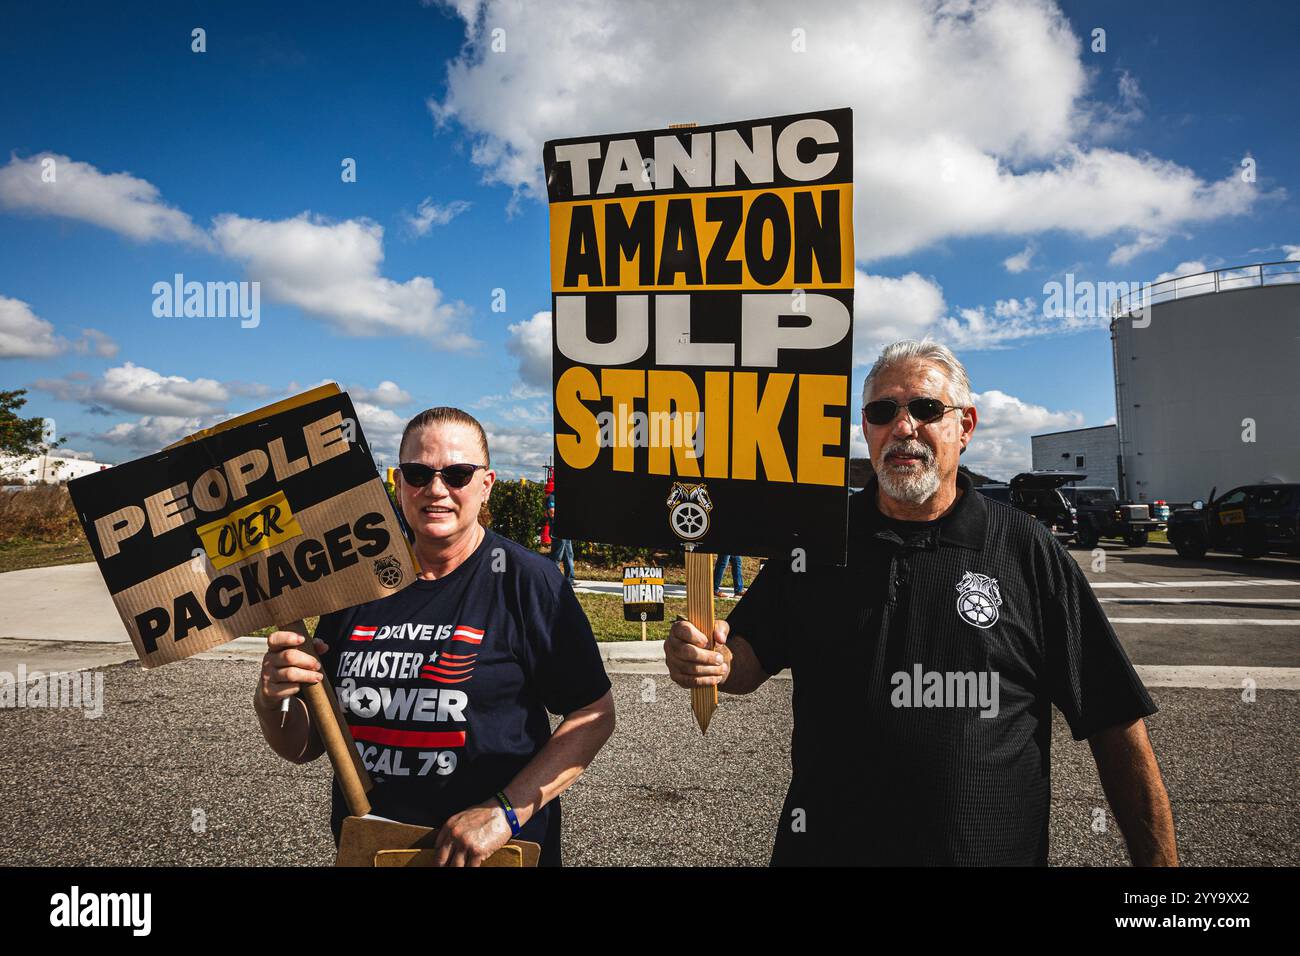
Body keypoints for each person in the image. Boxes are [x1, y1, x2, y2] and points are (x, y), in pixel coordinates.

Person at [665, 340, 1178, 866]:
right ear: (866, 429)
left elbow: (1115, 723)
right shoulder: (818, 543)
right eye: (883, 411)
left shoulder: (1027, 550)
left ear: (966, 426)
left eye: (927, 409)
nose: (904, 427)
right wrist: (713, 660)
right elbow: (749, 658)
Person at [255, 407, 614, 866]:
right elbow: (304, 746)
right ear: (399, 482)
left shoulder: (526, 581)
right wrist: (270, 702)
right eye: (418, 473)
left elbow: (595, 713)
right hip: (376, 854)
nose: (437, 489)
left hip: (494, 856)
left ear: (486, 485)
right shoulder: (354, 586)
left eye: (458, 473)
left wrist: (504, 812)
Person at [546, 495, 576, 587]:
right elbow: (552, 512)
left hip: (566, 529)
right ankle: (554, 579)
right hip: (558, 529)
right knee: (557, 556)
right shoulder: (552, 497)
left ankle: (570, 579)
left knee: (569, 555)